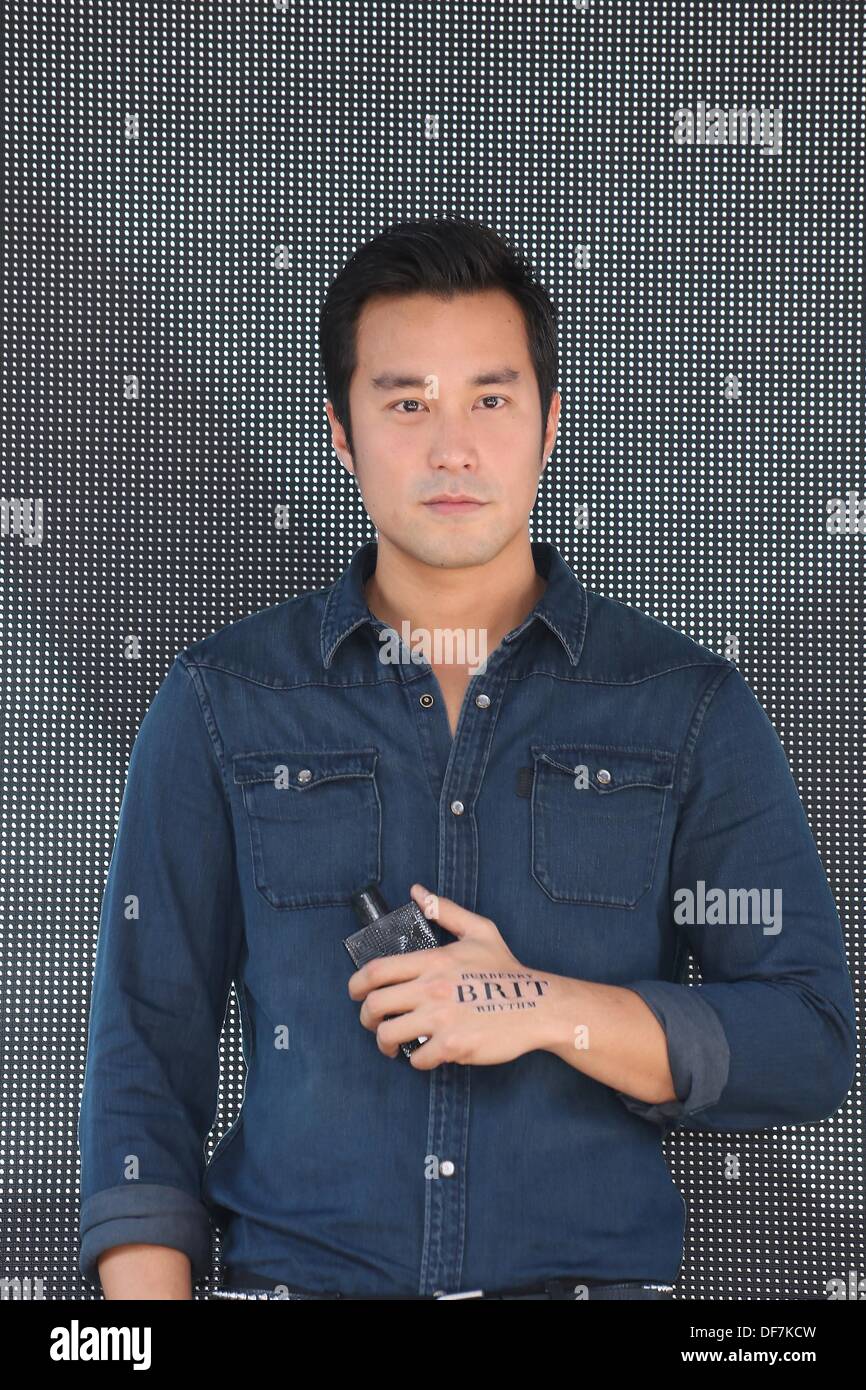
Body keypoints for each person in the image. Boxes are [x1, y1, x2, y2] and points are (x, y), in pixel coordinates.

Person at [77, 217, 857, 1301]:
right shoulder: (221, 703)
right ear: (340, 434)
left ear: (548, 424)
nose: (452, 448)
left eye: (490, 399)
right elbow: (142, 1069)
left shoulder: (683, 707)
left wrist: (543, 1003)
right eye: (406, 403)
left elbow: (804, 1039)